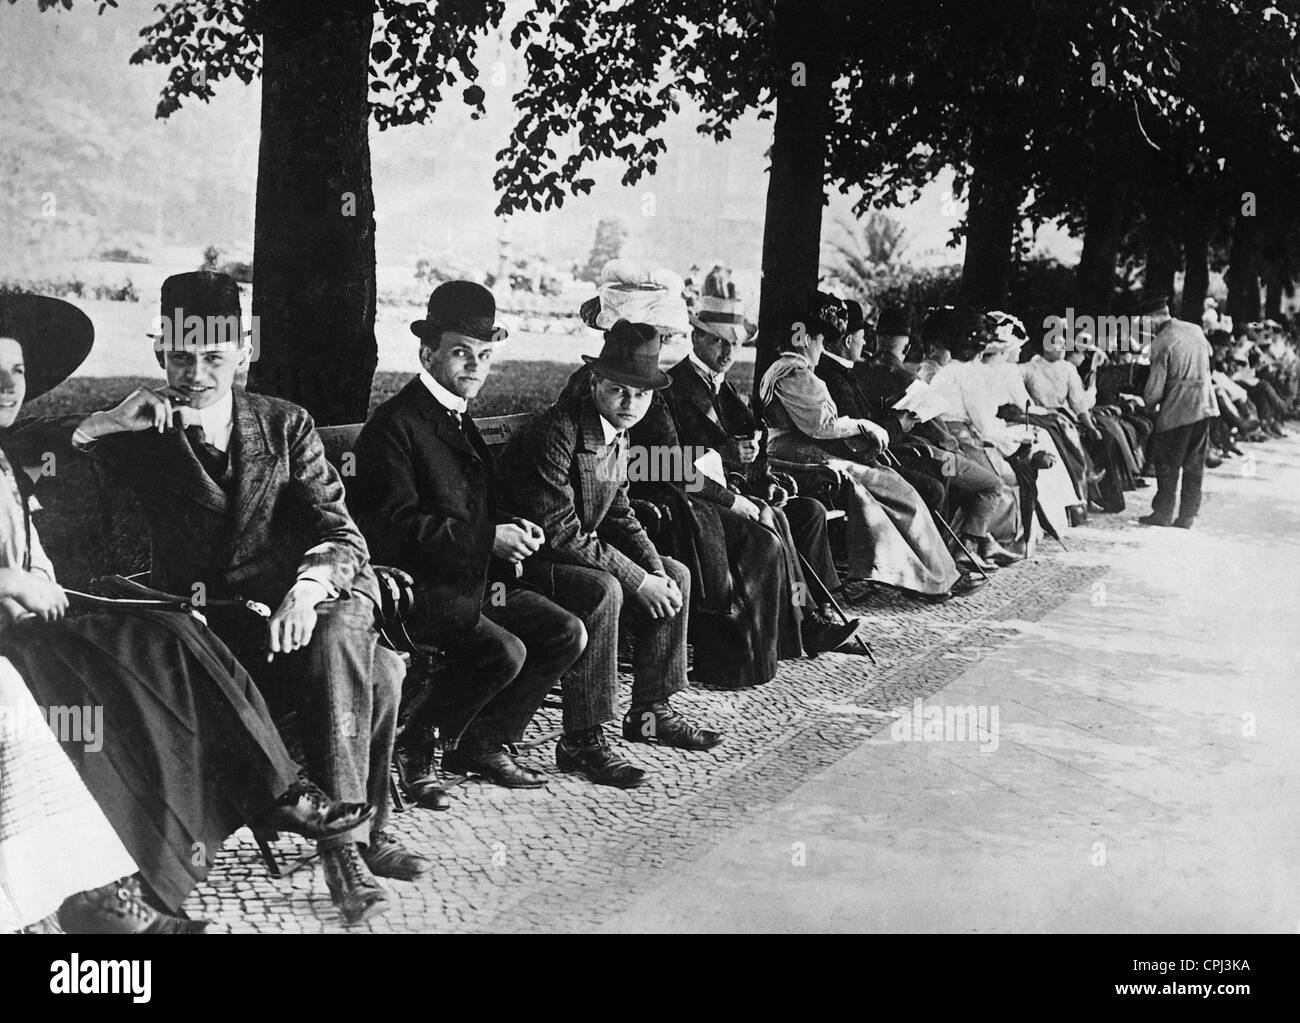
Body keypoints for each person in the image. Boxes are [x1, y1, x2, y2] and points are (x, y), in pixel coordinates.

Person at [30, 273, 414, 925]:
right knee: (375, 666)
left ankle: (343, 841)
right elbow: (20, 457)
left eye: (214, 355)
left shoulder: (285, 425)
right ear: (160, 354)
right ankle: (349, 838)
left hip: (293, 627)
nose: (198, 373)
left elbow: (337, 529)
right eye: (182, 356)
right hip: (201, 642)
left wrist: (305, 588)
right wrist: (98, 423)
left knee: (350, 630)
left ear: (242, 350)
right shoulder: (133, 432)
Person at [350, 283, 620, 787]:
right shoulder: (397, 426)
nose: (474, 366)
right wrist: (486, 539)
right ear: (427, 352)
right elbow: (392, 528)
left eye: (485, 355)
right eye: (460, 353)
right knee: (506, 649)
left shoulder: (455, 415)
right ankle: (418, 746)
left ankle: (482, 742)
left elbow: (474, 508)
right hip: (417, 588)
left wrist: (510, 530)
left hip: (473, 580)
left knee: (567, 630)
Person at [494, 320, 725, 752]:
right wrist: (638, 581)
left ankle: (650, 711)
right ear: (596, 381)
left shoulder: (616, 435)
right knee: (605, 589)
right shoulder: (558, 432)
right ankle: (583, 739)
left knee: (676, 572)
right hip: (522, 565)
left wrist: (655, 574)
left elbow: (619, 512)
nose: (629, 402)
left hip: (568, 554)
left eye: (641, 394)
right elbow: (559, 531)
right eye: (619, 389)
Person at [664, 288, 859, 654]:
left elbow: (753, 442)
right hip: (697, 502)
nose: (727, 353)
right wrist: (725, 453)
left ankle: (815, 612)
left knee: (808, 512)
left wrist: (766, 479)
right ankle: (803, 623)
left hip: (737, 491)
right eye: (720, 342)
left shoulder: (725, 387)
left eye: (735, 345)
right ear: (695, 338)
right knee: (773, 520)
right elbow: (666, 462)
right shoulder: (674, 388)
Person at [758, 292, 976, 603]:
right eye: (820, 339)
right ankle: (922, 576)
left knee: (897, 485)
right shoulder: (795, 372)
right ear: (805, 339)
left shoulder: (790, 370)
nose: (821, 348)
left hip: (804, 450)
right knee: (895, 489)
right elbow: (820, 425)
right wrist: (863, 425)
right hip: (797, 455)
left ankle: (932, 574)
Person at [853, 305, 1021, 570]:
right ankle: (970, 546)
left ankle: (982, 541)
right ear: (907, 345)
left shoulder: (858, 372)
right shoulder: (908, 379)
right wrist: (956, 451)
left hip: (895, 454)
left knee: (967, 475)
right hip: (926, 454)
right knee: (989, 483)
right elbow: (938, 433)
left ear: (875, 339)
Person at [1137, 295, 1219, 528]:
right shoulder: (1194, 330)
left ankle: (1162, 514)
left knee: (1167, 464)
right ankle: (1187, 516)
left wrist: (1148, 406)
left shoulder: (1162, 341)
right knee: (1194, 465)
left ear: (1152, 318)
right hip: (1205, 403)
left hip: (1178, 408)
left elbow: (1154, 389)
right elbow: (1210, 358)